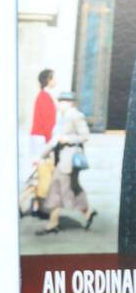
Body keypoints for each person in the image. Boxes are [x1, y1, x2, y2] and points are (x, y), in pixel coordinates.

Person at [36, 90, 97, 234]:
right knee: (65, 189)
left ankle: (53, 223)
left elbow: (85, 136)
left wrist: (67, 139)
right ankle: (86, 213)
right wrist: (42, 155)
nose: (60, 104)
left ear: (70, 103)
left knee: (60, 189)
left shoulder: (76, 116)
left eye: (63, 101)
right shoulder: (62, 117)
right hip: (62, 160)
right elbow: (54, 140)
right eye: (60, 101)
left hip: (70, 161)